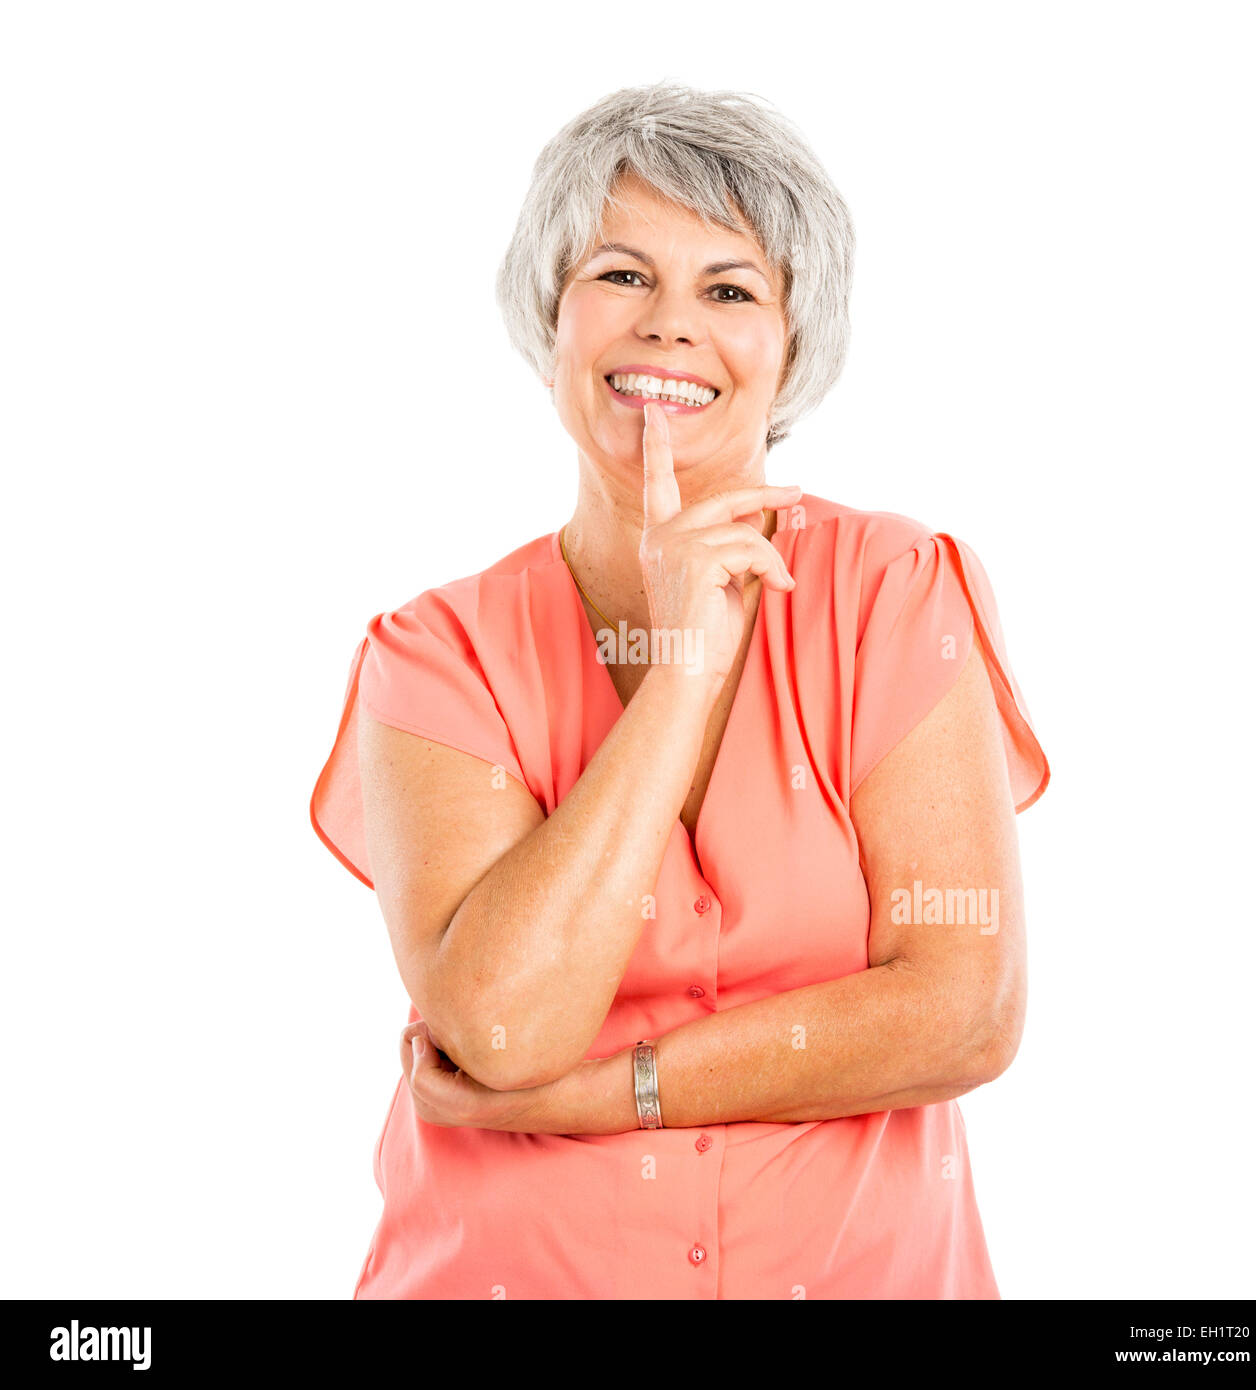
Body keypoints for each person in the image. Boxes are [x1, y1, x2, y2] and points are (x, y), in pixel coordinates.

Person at [309, 82, 1050, 1300]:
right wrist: (680, 676)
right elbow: (501, 1030)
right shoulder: (432, 656)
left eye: (728, 289)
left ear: (792, 346)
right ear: (548, 316)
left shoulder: (891, 593)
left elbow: (965, 1010)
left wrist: (610, 1092)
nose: (668, 328)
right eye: (619, 275)